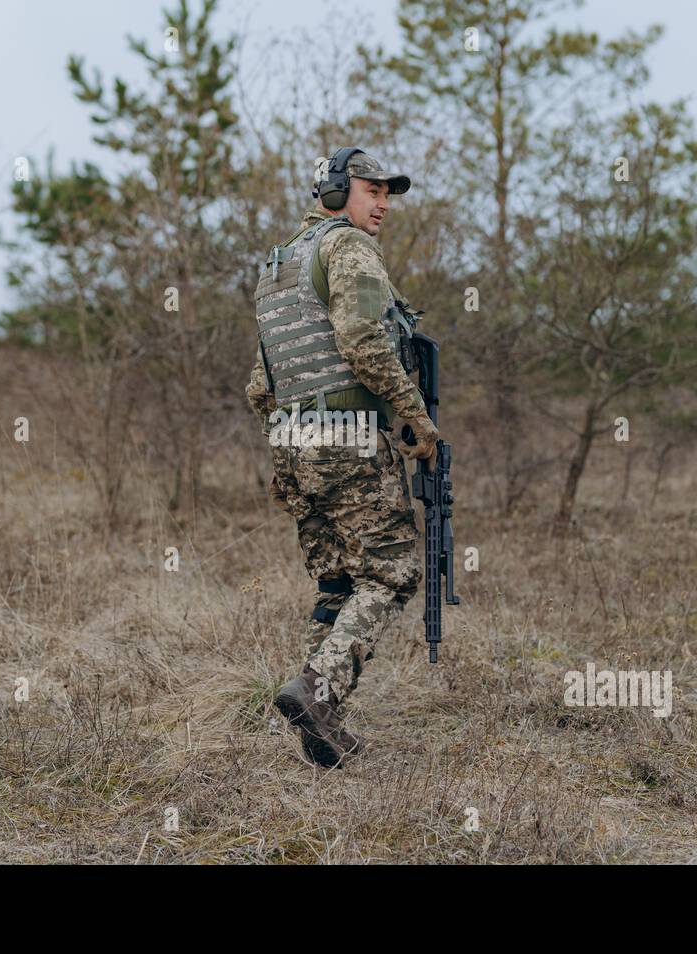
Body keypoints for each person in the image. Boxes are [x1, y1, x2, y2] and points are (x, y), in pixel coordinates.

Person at [245, 147, 439, 768]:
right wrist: (412, 413)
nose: (383, 204)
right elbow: (361, 339)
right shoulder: (348, 248)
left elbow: (260, 386)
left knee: (336, 580)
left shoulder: (278, 265)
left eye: (389, 193)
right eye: (370, 190)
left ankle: (320, 728)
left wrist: (302, 423)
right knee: (389, 572)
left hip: (293, 441)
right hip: (349, 435)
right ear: (333, 191)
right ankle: (318, 693)